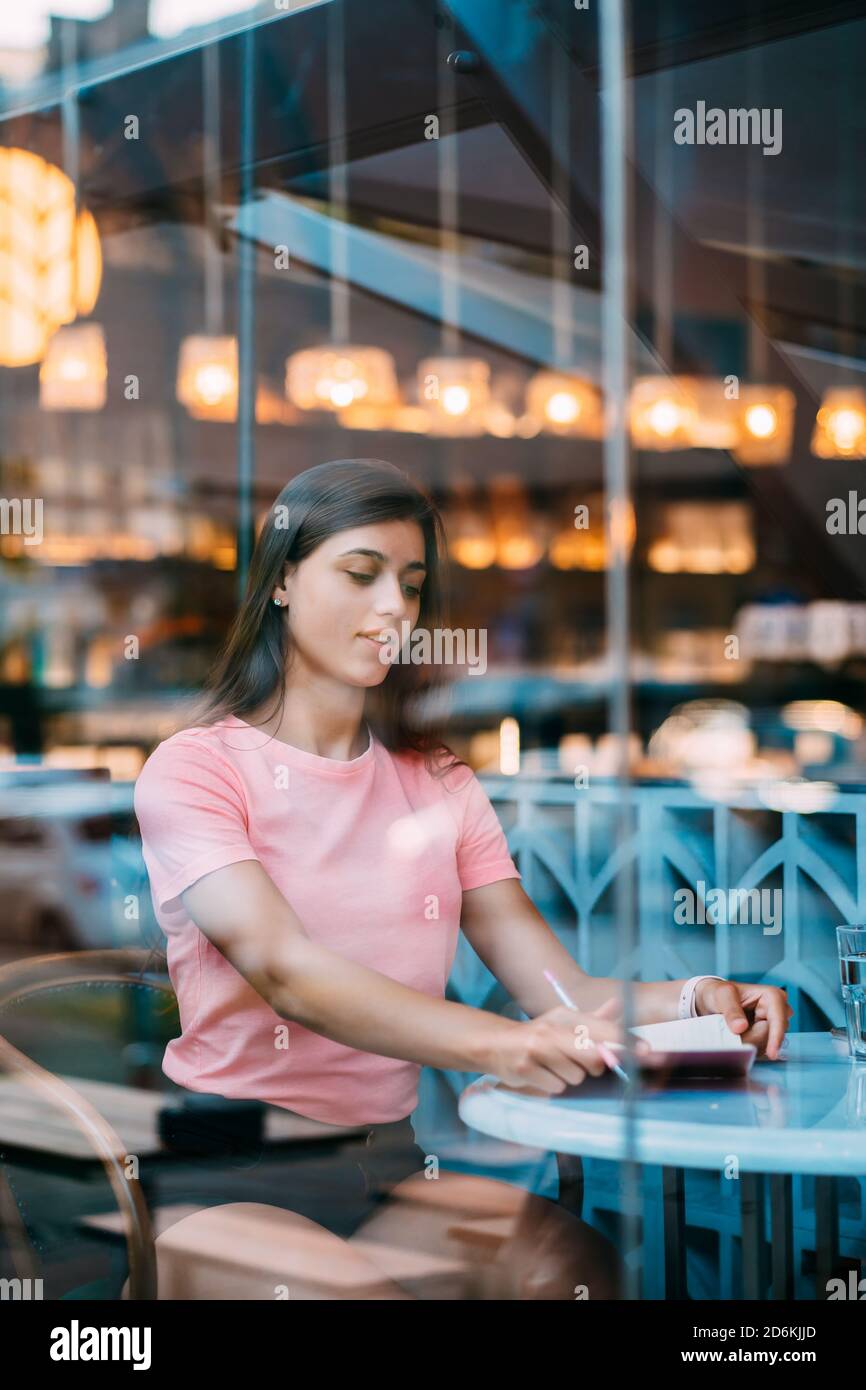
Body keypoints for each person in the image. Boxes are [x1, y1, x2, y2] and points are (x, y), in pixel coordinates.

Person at [133, 457, 792, 1300]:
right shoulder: (195, 770)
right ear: (283, 582)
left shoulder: (437, 781)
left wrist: (698, 997)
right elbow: (284, 972)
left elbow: (565, 990)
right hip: (228, 1174)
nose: (392, 610)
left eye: (409, 586)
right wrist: (504, 1045)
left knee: (570, 1268)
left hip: (391, 1169)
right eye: (360, 574)